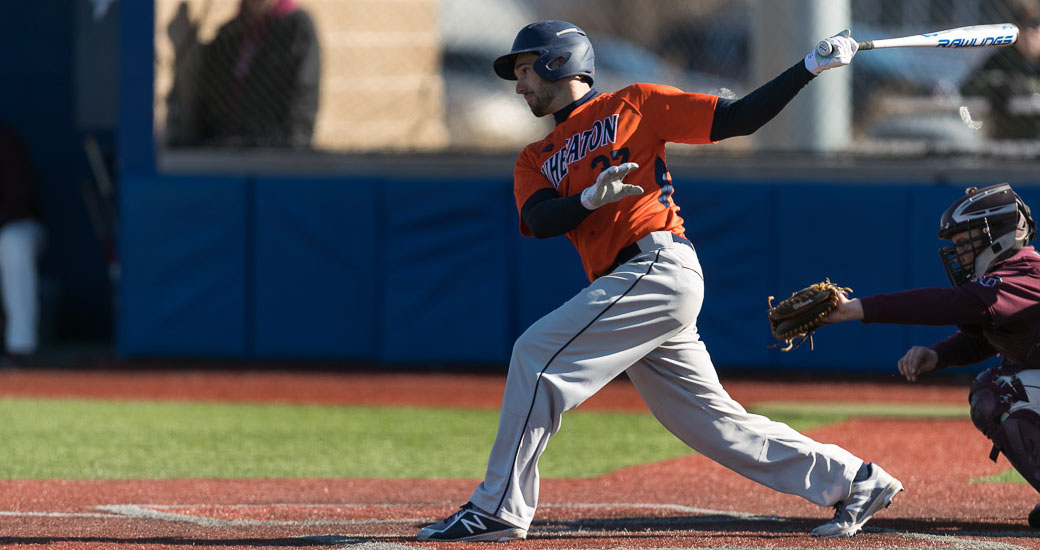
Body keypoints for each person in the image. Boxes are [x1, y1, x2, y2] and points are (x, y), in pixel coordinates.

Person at [416, 20, 903, 542]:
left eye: (526, 70)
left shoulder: (636, 102)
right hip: (631, 287)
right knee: (717, 426)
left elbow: (736, 119)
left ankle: (497, 509)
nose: (519, 86)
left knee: (535, 356)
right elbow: (538, 221)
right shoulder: (533, 157)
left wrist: (808, 68)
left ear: (560, 63)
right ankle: (855, 480)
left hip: (655, 266)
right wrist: (586, 201)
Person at [821, 182, 1040, 529]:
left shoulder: (1025, 274)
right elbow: (986, 339)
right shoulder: (1016, 278)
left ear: (995, 235)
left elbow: (948, 304)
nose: (960, 253)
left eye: (965, 243)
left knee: (998, 391)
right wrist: (938, 355)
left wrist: (857, 309)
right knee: (1000, 381)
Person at [166, 0, 321, 148]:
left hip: (275, 152)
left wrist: (292, 150)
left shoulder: (296, 29)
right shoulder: (228, 36)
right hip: (223, 151)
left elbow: (303, 100)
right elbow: (206, 102)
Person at [959, 0, 1040, 139]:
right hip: (1007, 142)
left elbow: (1029, 87)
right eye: (1023, 26)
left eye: (1035, 25)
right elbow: (967, 87)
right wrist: (998, 84)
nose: (1029, 32)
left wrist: (1025, 86)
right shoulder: (1003, 58)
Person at [0, 123, 45, 363]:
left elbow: (19, 201)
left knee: (14, 243)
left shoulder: (6, 140)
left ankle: (20, 345)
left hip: (14, 226)